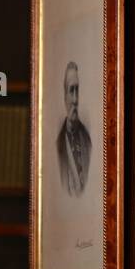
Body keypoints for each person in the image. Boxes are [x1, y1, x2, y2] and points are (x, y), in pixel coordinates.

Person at [56, 61, 91, 196]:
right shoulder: (57, 145)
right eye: (71, 90)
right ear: (65, 96)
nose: (75, 99)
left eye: (77, 90)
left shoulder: (88, 141)